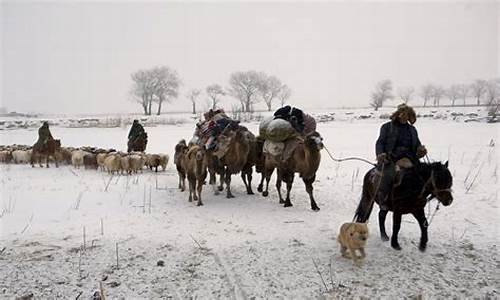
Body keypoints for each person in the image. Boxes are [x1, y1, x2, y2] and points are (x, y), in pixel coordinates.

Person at [375, 104, 427, 209]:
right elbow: (380, 142)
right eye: (402, 114)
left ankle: (419, 198)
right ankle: (383, 198)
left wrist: (420, 150)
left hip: (410, 158)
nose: (404, 116)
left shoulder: (412, 130)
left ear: (410, 116)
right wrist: (380, 154)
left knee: (423, 174)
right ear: (397, 114)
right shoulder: (387, 127)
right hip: (392, 157)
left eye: (407, 115)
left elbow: (417, 144)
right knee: (388, 174)